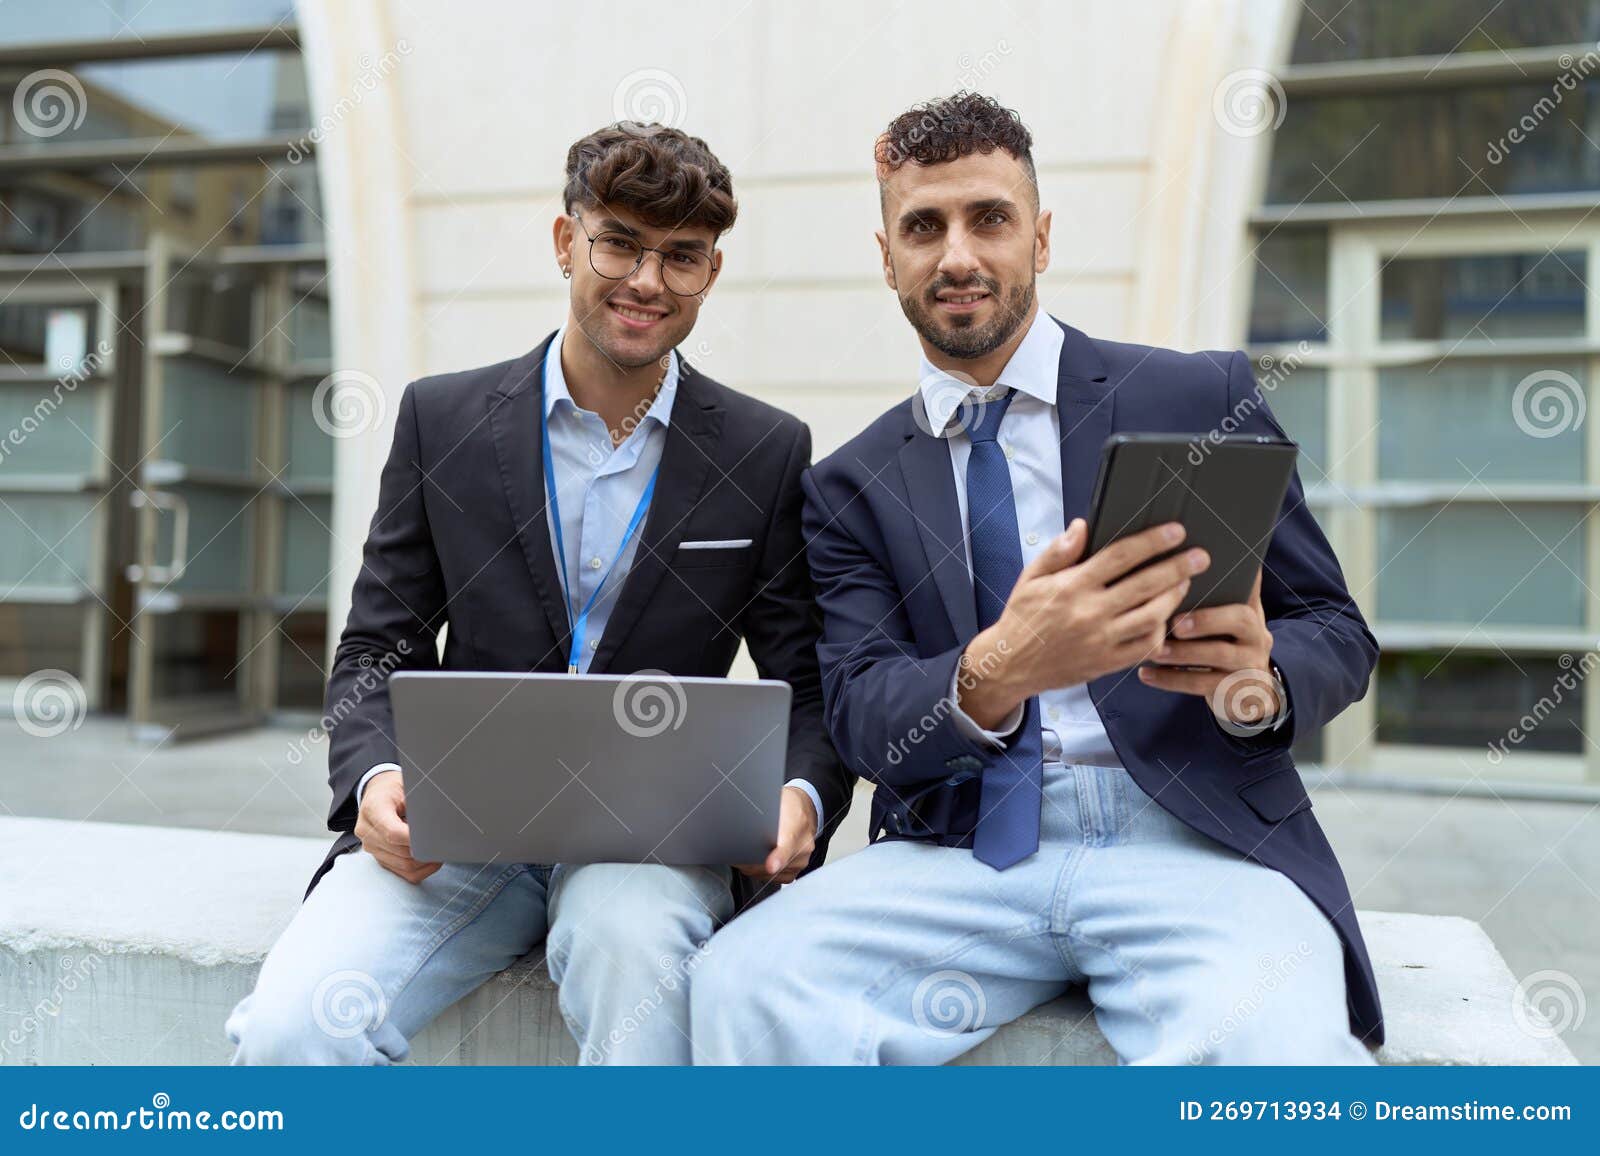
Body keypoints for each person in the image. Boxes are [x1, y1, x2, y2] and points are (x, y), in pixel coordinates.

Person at [692, 93, 1380, 1065]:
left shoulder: (1199, 396)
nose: (957, 255)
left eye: (989, 218)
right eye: (922, 227)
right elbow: (857, 711)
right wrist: (994, 669)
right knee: (741, 986)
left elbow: (1334, 627)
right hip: (960, 854)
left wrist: (1262, 680)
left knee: (1280, 1048)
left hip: (1189, 842)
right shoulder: (848, 483)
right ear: (885, 256)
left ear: (1041, 237)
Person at [227, 122, 851, 1065]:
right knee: (289, 1030)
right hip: (455, 835)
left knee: (631, 952)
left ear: (710, 274)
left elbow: (805, 679)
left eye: (681, 256)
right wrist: (376, 777)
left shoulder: (766, 452)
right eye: (619, 243)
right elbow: (374, 649)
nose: (648, 280)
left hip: (647, 849)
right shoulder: (442, 422)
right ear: (566, 242)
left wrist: (799, 797)